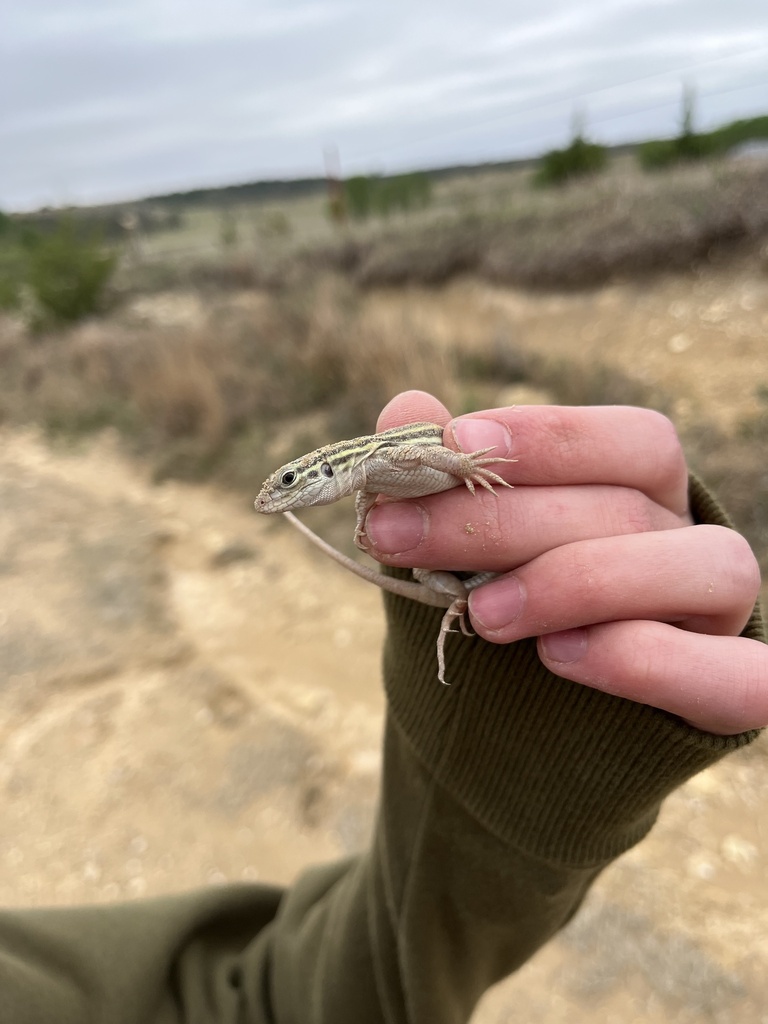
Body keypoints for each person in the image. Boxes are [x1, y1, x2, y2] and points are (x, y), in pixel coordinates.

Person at [0, 391, 765, 1024]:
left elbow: (275, 1002)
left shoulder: (370, 467)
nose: (278, 500)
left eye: (289, 487)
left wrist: (531, 729)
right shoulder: (363, 477)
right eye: (284, 490)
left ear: (315, 477)